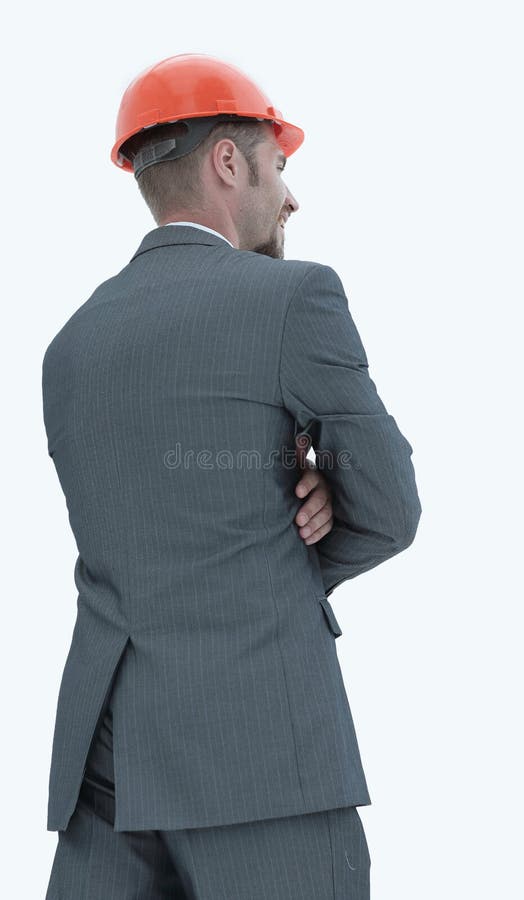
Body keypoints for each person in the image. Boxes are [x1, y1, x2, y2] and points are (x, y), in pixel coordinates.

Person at [43, 53, 422, 899]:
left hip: (106, 764)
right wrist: (281, 545)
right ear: (226, 161)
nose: (291, 197)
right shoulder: (293, 298)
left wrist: (256, 527)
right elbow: (392, 510)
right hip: (260, 759)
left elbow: (155, 530)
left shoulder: (69, 348)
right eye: (278, 167)